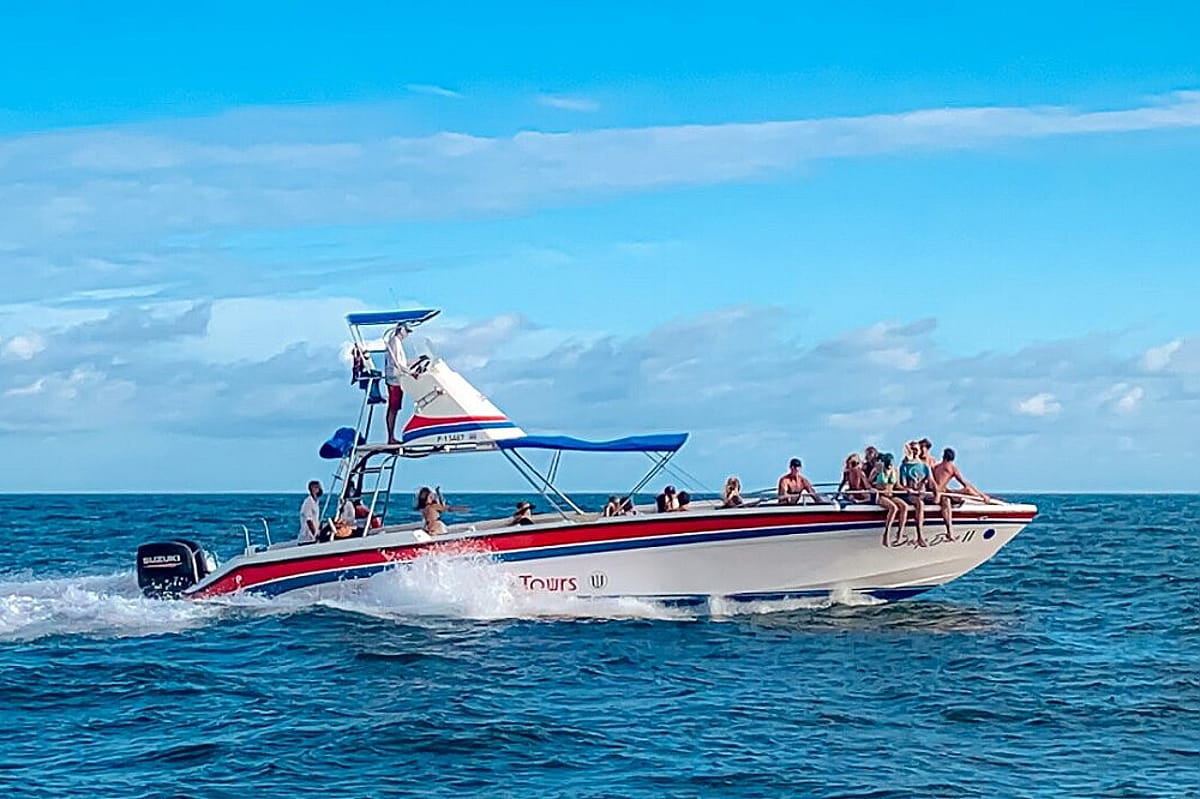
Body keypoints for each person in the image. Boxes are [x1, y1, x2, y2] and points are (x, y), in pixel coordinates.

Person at [932, 448, 992, 541]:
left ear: (943, 456)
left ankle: (981, 500)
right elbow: (964, 483)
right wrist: (981, 494)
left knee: (965, 490)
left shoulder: (936, 467)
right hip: (942, 494)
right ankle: (983, 501)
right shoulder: (951, 467)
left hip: (939, 492)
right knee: (966, 490)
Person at [872, 453, 909, 547]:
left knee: (904, 506)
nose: (889, 466)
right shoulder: (878, 470)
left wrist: (907, 489)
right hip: (881, 496)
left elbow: (897, 486)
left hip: (891, 495)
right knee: (894, 508)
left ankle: (899, 533)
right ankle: (886, 533)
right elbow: (868, 482)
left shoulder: (895, 471)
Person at [900, 443, 933, 547]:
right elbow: (903, 484)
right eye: (912, 449)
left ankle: (949, 531)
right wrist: (909, 489)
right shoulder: (905, 466)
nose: (914, 452)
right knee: (919, 504)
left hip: (922, 493)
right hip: (911, 495)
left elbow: (929, 481)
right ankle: (919, 535)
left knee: (945, 500)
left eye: (916, 449)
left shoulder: (924, 466)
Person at [383, 323, 409, 445]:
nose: (407, 334)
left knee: (395, 408)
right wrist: (409, 372)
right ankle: (391, 437)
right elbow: (397, 363)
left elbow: (400, 362)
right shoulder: (394, 342)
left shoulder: (395, 342)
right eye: (407, 331)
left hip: (398, 378)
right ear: (401, 330)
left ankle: (391, 436)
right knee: (393, 408)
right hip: (395, 379)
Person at [298, 480, 322, 544]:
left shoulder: (316, 502)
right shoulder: (308, 502)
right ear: (312, 488)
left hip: (313, 537)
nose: (319, 489)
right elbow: (309, 520)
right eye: (317, 487)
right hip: (307, 538)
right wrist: (315, 534)